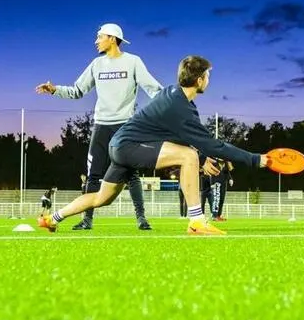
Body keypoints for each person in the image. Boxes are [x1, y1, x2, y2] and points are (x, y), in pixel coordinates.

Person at [38, 55, 273, 235]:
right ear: (200, 80)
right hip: (128, 146)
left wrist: (203, 158)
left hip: (120, 145)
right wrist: (256, 159)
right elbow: (212, 145)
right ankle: (196, 222)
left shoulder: (174, 95)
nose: (209, 80)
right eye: (208, 76)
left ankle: (52, 219)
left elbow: (185, 137)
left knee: (102, 198)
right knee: (188, 156)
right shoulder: (179, 106)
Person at [36, 23, 163, 231]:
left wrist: (171, 102)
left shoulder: (133, 62)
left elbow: (153, 88)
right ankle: (87, 220)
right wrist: (54, 90)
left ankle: (141, 219)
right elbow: (77, 90)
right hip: (101, 127)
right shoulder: (96, 64)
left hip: (125, 127)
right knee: (93, 175)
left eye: (99, 37)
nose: (96, 41)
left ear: (112, 38)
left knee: (131, 174)